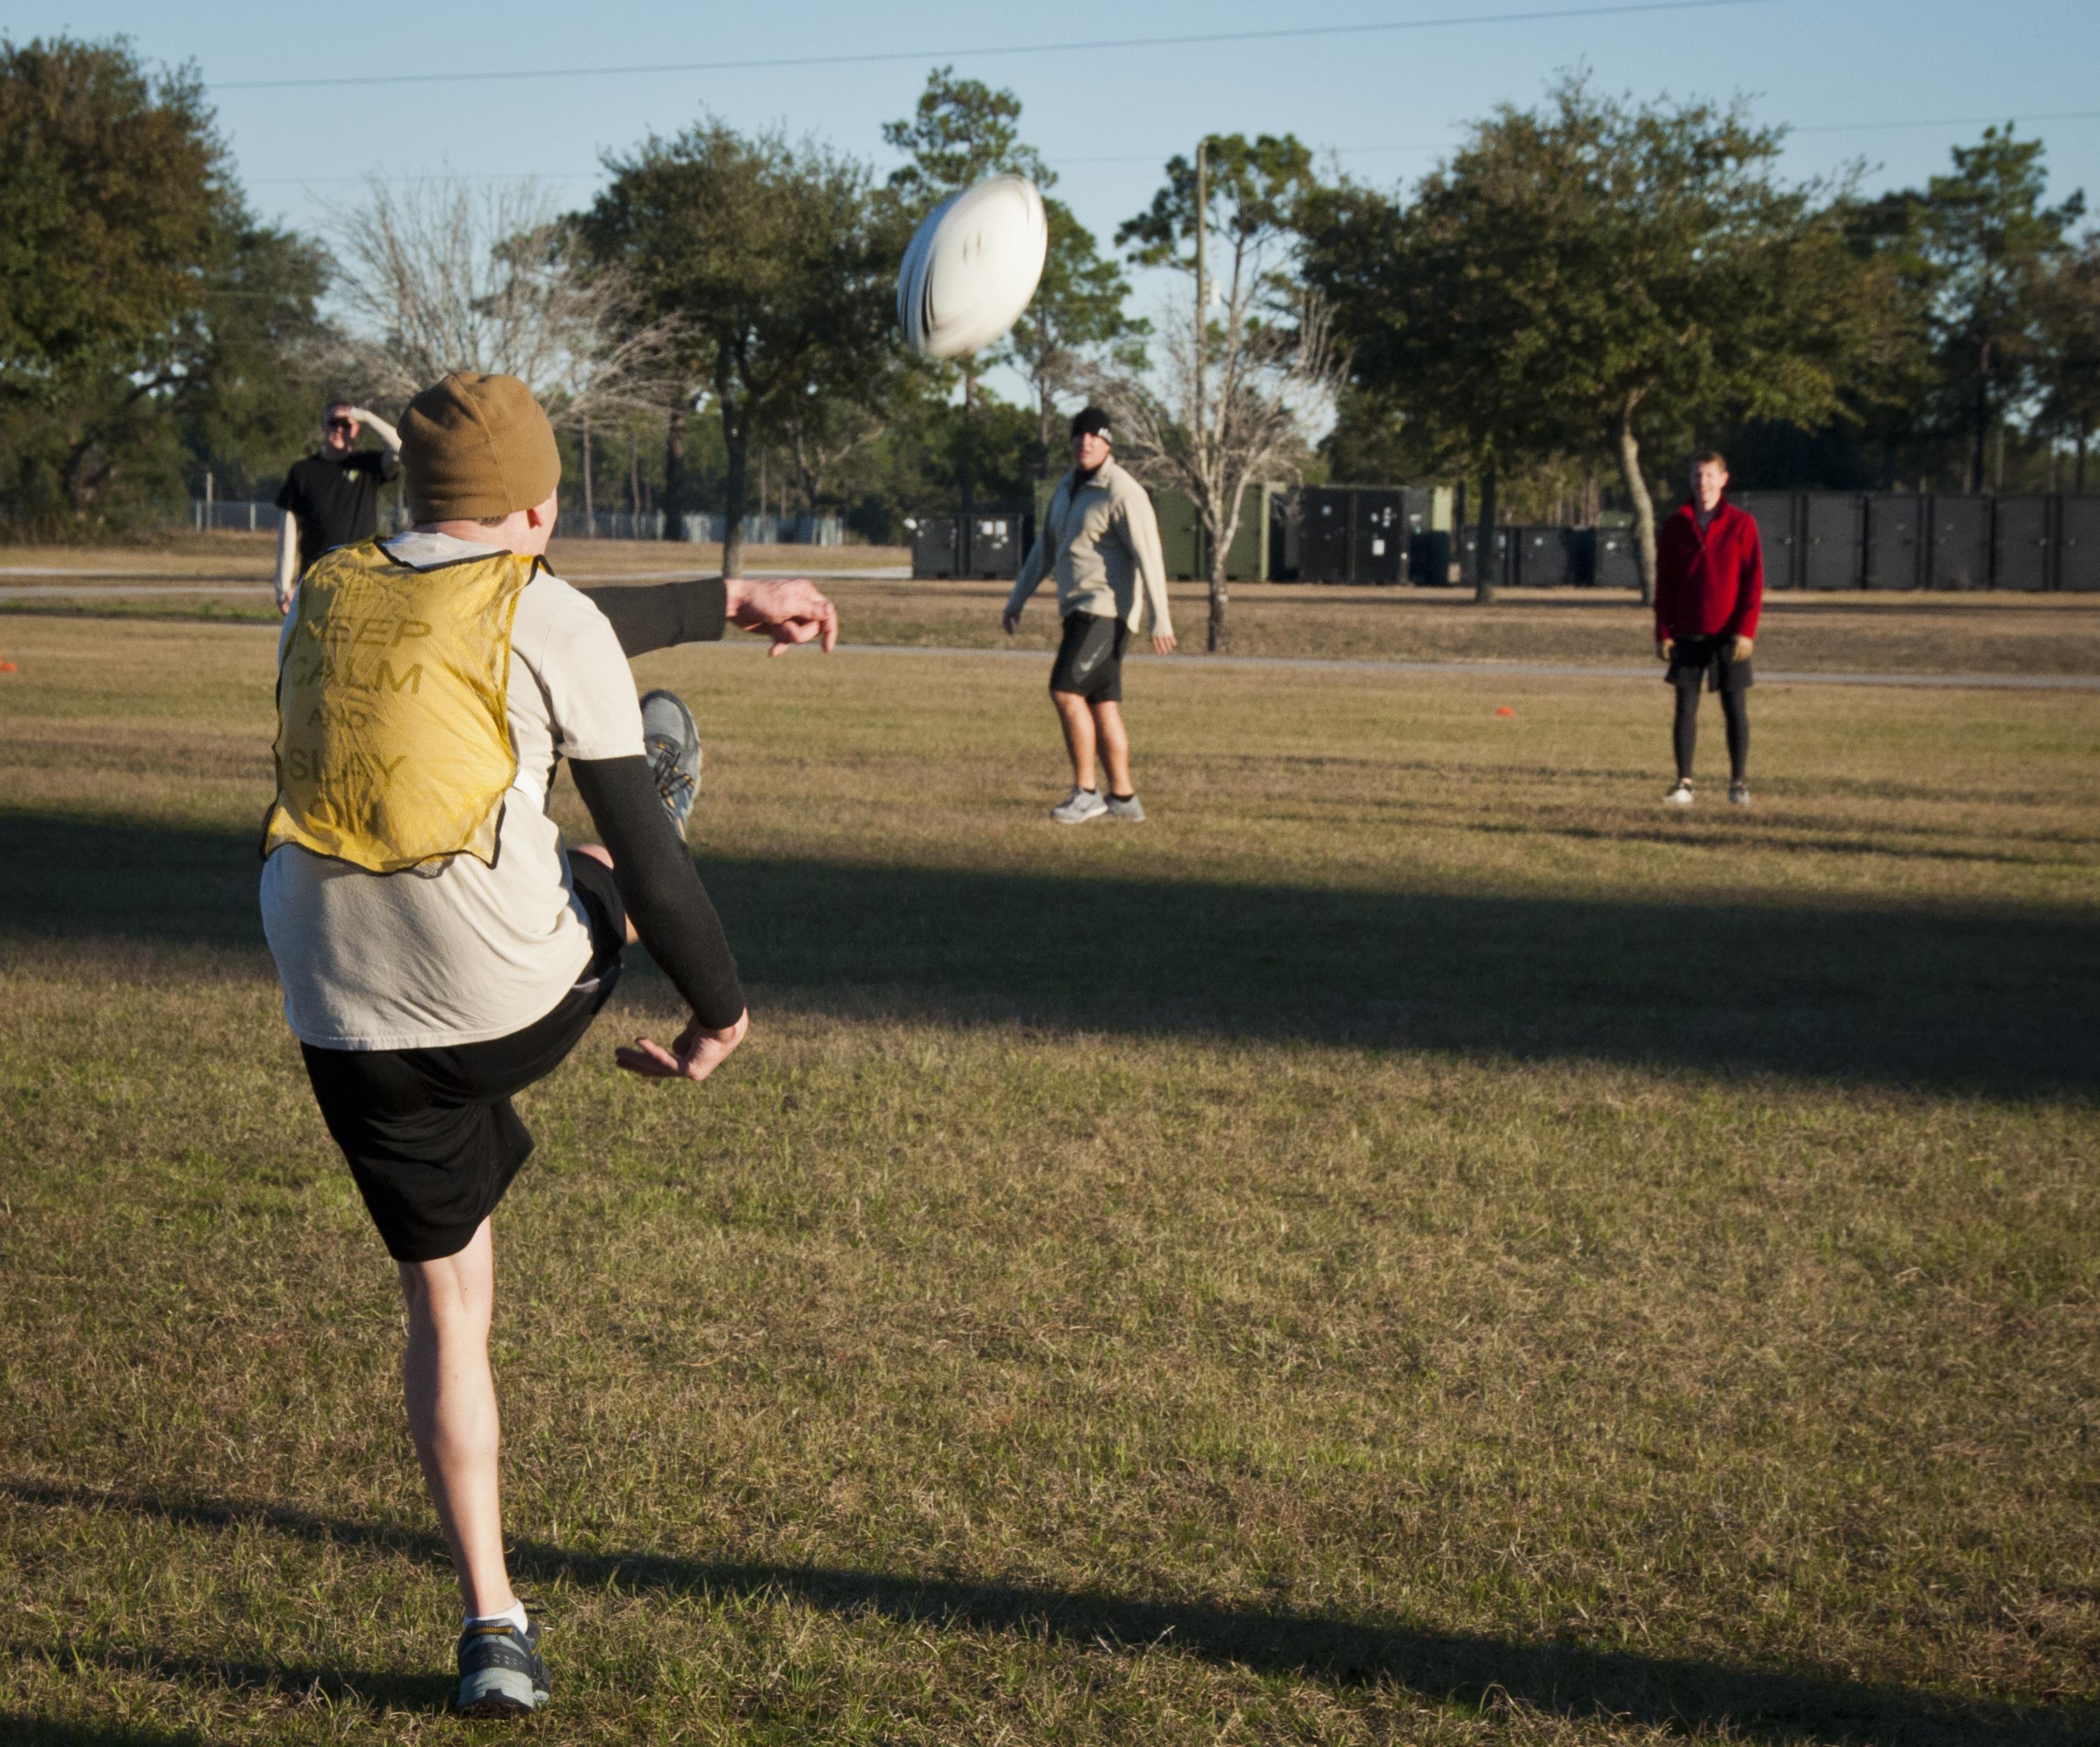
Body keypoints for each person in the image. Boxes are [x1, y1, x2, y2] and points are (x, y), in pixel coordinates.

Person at [258, 370, 837, 1718]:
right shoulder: (546, 605)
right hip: (506, 999)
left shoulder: (332, 586)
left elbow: (524, 614)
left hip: (338, 1009)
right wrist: (720, 1012)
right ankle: (636, 823)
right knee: (619, 824)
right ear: (542, 502)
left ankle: (494, 1624)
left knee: (448, 1307)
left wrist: (723, 597)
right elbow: (651, 854)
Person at [1002, 407, 1176, 823]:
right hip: (1077, 610)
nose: (1086, 443)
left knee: (1065, 691)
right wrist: (1018, 597)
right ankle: (1124, 798)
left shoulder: (1123, 492)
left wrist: (1161, 617)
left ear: (1109, 443)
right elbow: (1046, 547)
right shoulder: (1066, 488)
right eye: (1079, 437)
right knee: (1102, 704)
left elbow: (1149, 557)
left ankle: (1086, 792)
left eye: (1095, 437)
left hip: (1105, 613)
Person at [1655, 449, 1763, 807]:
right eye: (1697, 476)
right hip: (1688, 631)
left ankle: (1738, 783)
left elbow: (1753, 583)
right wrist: (1663, 631)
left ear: (1723, 479)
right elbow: (1665, 584)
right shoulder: (1675, 525)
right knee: (1685, 708)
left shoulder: (1741, 524)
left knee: (1735, 709)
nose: (1703, 483)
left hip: (1729, 634)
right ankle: (1684, 782)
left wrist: (1746, 631)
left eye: (1709, 476)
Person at [273, 398, 405, 614]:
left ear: (356, 430)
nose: (339, 429)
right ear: (324, 425)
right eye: (334, 423)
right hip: (317, 579)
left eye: (346, 424)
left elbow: (401, 449)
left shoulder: (367, 466)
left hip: (362, 579)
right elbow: (288, 532)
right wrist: (283, 585)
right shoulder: (303, 471)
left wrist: (367, 417)